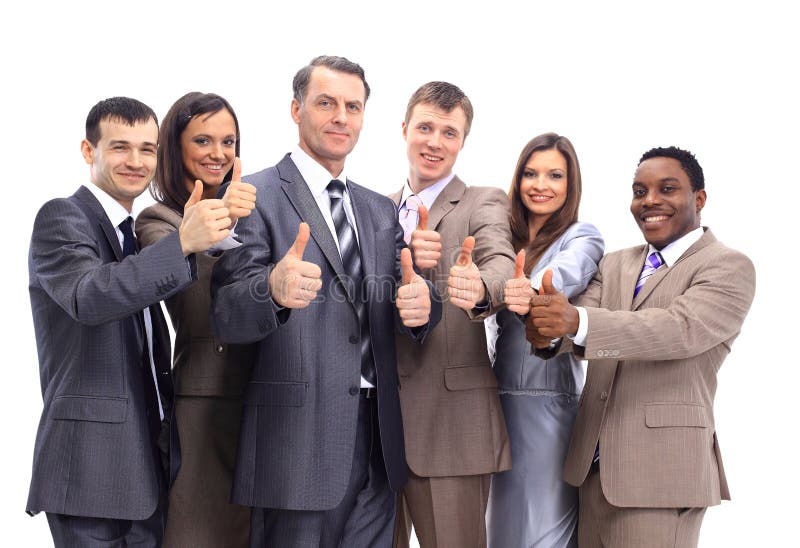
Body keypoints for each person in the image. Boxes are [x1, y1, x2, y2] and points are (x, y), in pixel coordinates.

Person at [211, 55, 441, 548]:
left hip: (378, 440)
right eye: (326, 103)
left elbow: (406, 292)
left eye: (352, 107)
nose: (341, 117)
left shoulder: (378, 208)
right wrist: (271, 289)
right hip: (295, 444)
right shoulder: (253, 195)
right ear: (296, 110)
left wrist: (423, 308)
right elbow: (227, 313)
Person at [26, 96, 233, 546]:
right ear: (89, 150)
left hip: (146, 469)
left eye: (147, 149)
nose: (136, 162)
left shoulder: (130, 237)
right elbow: (91, 296)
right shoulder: (63, 218)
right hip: (91, 474)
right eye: (120, 147)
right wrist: (182, 243)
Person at [526, 146, 756, 548]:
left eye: (667, 189)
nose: (649, 200)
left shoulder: (727, 265)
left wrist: (573, 321)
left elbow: (678, 330)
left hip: (660, 477)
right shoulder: (614, 263)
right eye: (639, 191)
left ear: (699, 199)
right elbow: (576, 326)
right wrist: (546, 331)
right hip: (591, 471)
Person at [390, 81, 515, 548]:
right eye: (425, 128)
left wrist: (479, 286)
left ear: (463, 141)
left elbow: (500, 262)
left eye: (449, 133)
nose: (435, 143)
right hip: (376, 432)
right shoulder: (375, 208)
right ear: (405, 129)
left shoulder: (483, 201)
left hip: (452, 427)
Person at [136, 92, 257, 547]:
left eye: (229, 141)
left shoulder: (250, 210)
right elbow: (189, 299)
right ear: (175, 146)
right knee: (200, 533)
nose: (218, 153)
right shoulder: (159, 219)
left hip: (267, 398)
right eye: (203, 140)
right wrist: (222, 227)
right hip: (206, 405)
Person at [484, 133, 604, 548]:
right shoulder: (504, 238)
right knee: (499, 531)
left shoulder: (582, 235)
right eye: (530, 174)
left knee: (542, 530)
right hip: (494, 402)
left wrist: (530, 290)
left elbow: (566, 274)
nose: (540, 185)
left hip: (548, 404)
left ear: (571, 184)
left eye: (555, 175)